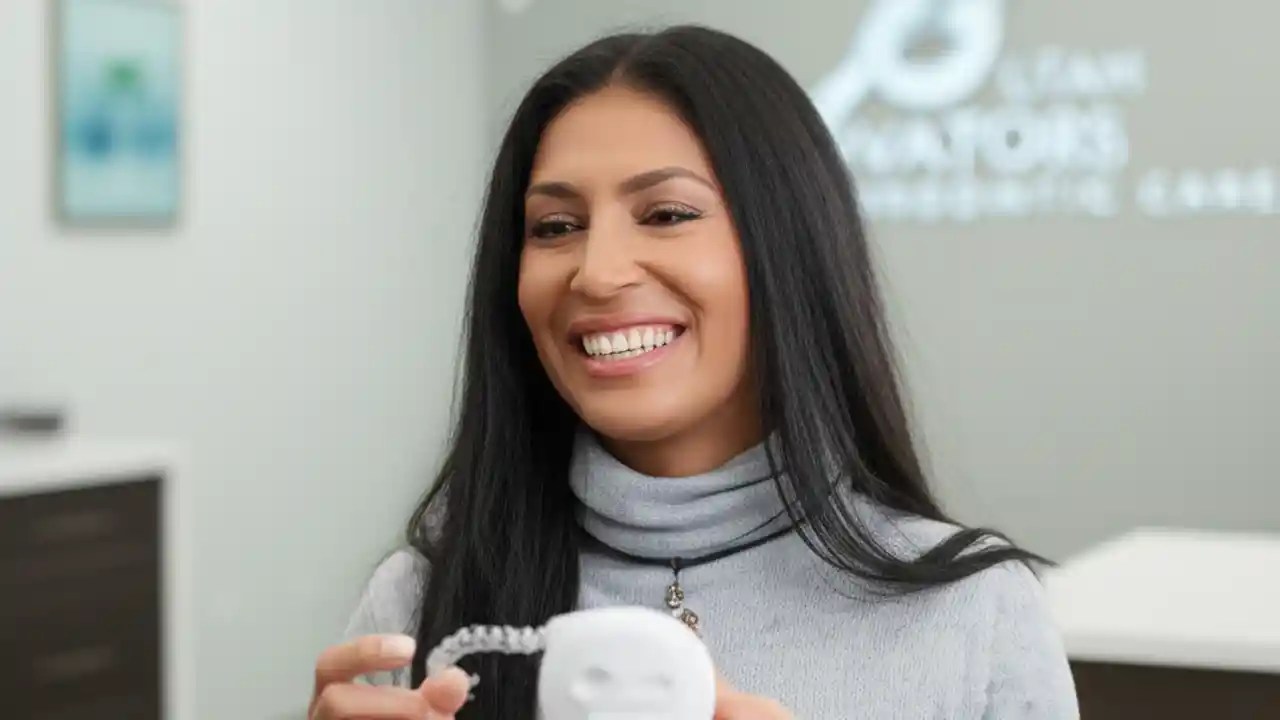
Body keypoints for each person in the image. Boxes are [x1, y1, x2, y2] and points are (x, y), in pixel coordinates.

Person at [308, 25, 1079, 720]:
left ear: (789, 246)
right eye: (555, 227)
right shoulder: (415, 607)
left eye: (667, 214)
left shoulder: (974, 615)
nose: (598, 273)